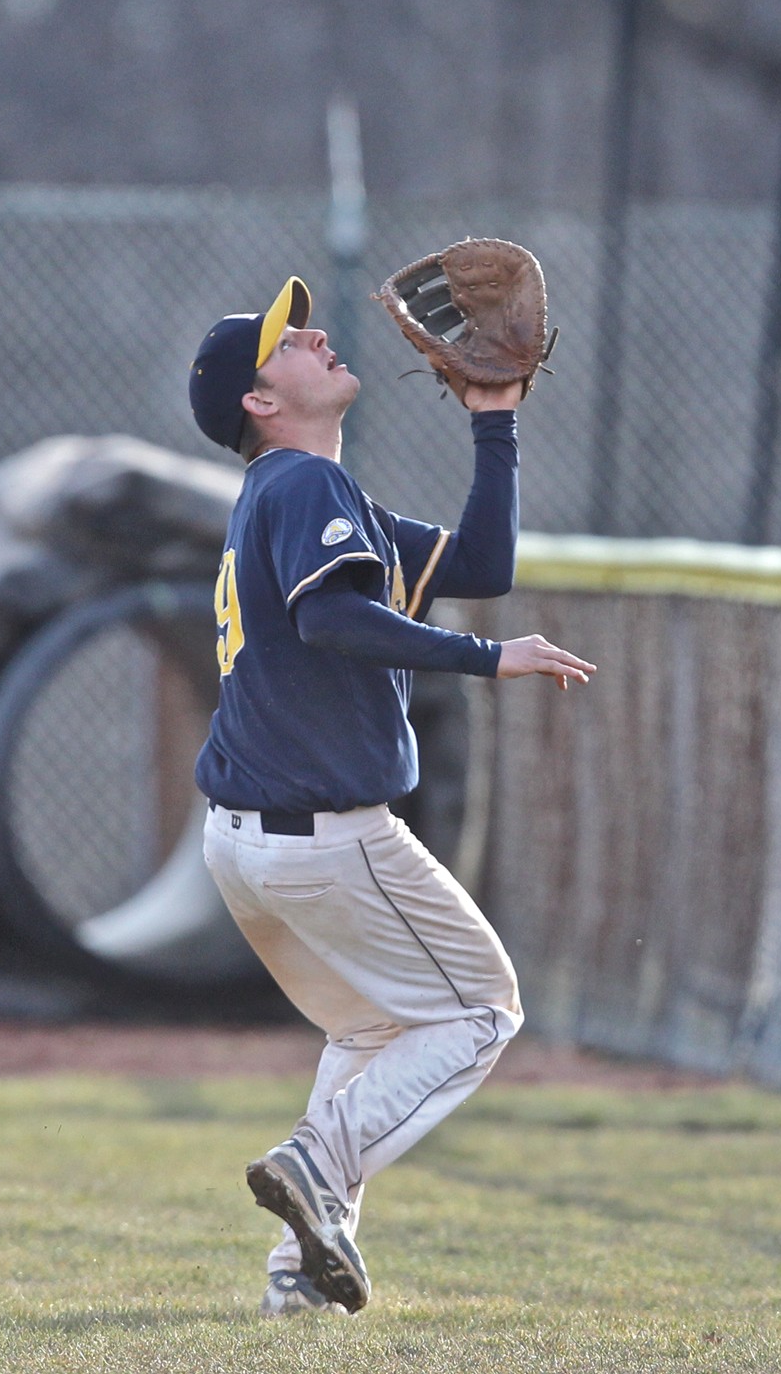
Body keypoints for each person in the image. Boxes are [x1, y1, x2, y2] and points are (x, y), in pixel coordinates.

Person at [187, 274, 594, 1317]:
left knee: (373, 1035)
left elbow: (485, 561)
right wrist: (487, 658)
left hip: (246, 843)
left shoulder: (311, 495)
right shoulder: (299, 488)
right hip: (325, 839)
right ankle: (315, 1163)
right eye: (287, 340)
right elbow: (334, 624)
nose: (315, 335)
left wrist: (493, 423)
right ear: (259, 403)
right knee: (481, 1011)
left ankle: (298, 1275)